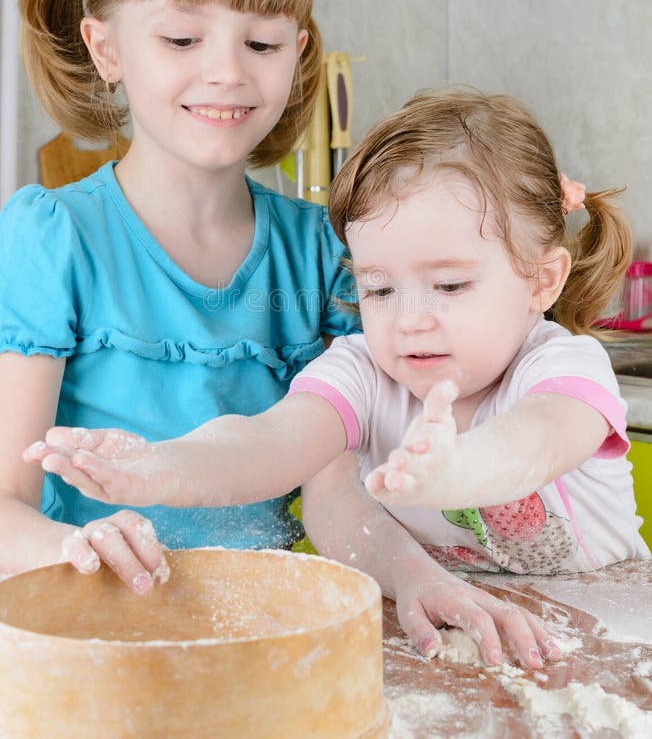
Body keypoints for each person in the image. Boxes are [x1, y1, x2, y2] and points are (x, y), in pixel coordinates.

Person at [31, 89, 648, 669]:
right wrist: (164, 467)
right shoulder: (363, 371)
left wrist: (454, 470)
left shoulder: (562, 366)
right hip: (454, 639)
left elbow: (533, 444)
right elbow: (272, 441)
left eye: (451, 285)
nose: (409, 321)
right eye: (378, 288)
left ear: (542, 279)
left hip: (609, 639)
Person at [1, 0, 359, 593]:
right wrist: (82, 547)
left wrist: (411, 576)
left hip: (267, 630)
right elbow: (5, 506)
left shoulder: (322, 252)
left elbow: (337, 497)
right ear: (107, 50)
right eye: (183, 37)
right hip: (99, 634)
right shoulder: (54, 239)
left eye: (261, 43)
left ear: (299, 49)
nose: (226, 72)